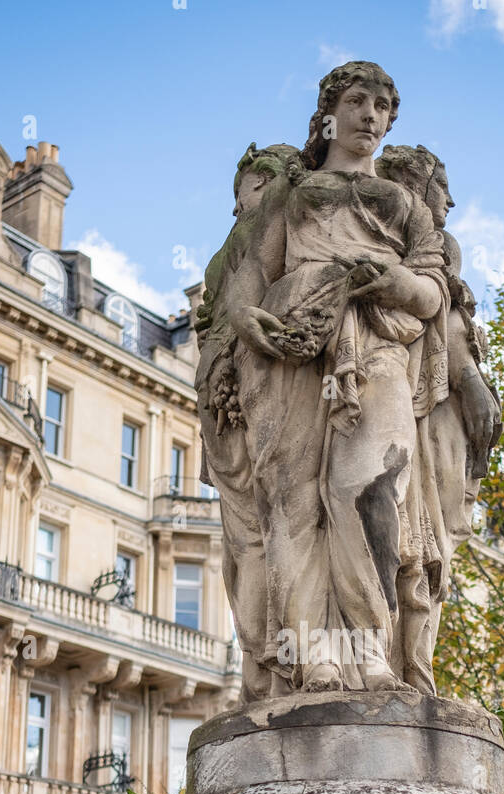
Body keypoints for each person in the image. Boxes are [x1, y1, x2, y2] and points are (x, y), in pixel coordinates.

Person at [227, 61, 451, 694]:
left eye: (383, 107)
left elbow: (433, 292)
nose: (371, 116)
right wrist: (248, 320)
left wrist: (396, 281)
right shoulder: (293, 197)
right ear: (328, 113)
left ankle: (369, 650)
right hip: (290, 349)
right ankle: (314, 656)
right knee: (293, 502)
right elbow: (251, 269)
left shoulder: (402, 205)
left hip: (377, 344)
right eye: (358, 101)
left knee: (371, 491)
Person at [375, 144, 503, 684]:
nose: (450, 197)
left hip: (433, 407)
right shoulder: (423, 239)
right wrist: (470, 379)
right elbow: (440, 322)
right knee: (415, 539)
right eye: (440, 184)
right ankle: (400, 665)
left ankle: (413, 665)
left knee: (431, 544)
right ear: (414, 185)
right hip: (422, 405)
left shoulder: (430, 243)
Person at [194, 142, 301, 701]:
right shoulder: (253, 236)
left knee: (256, 538)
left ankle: (267, 673)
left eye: (248, 191)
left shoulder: (277, 218)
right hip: (238, 382)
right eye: (239, 196)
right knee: (270, 528)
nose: (240, 206)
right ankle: (275, 668)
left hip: (227, 382)